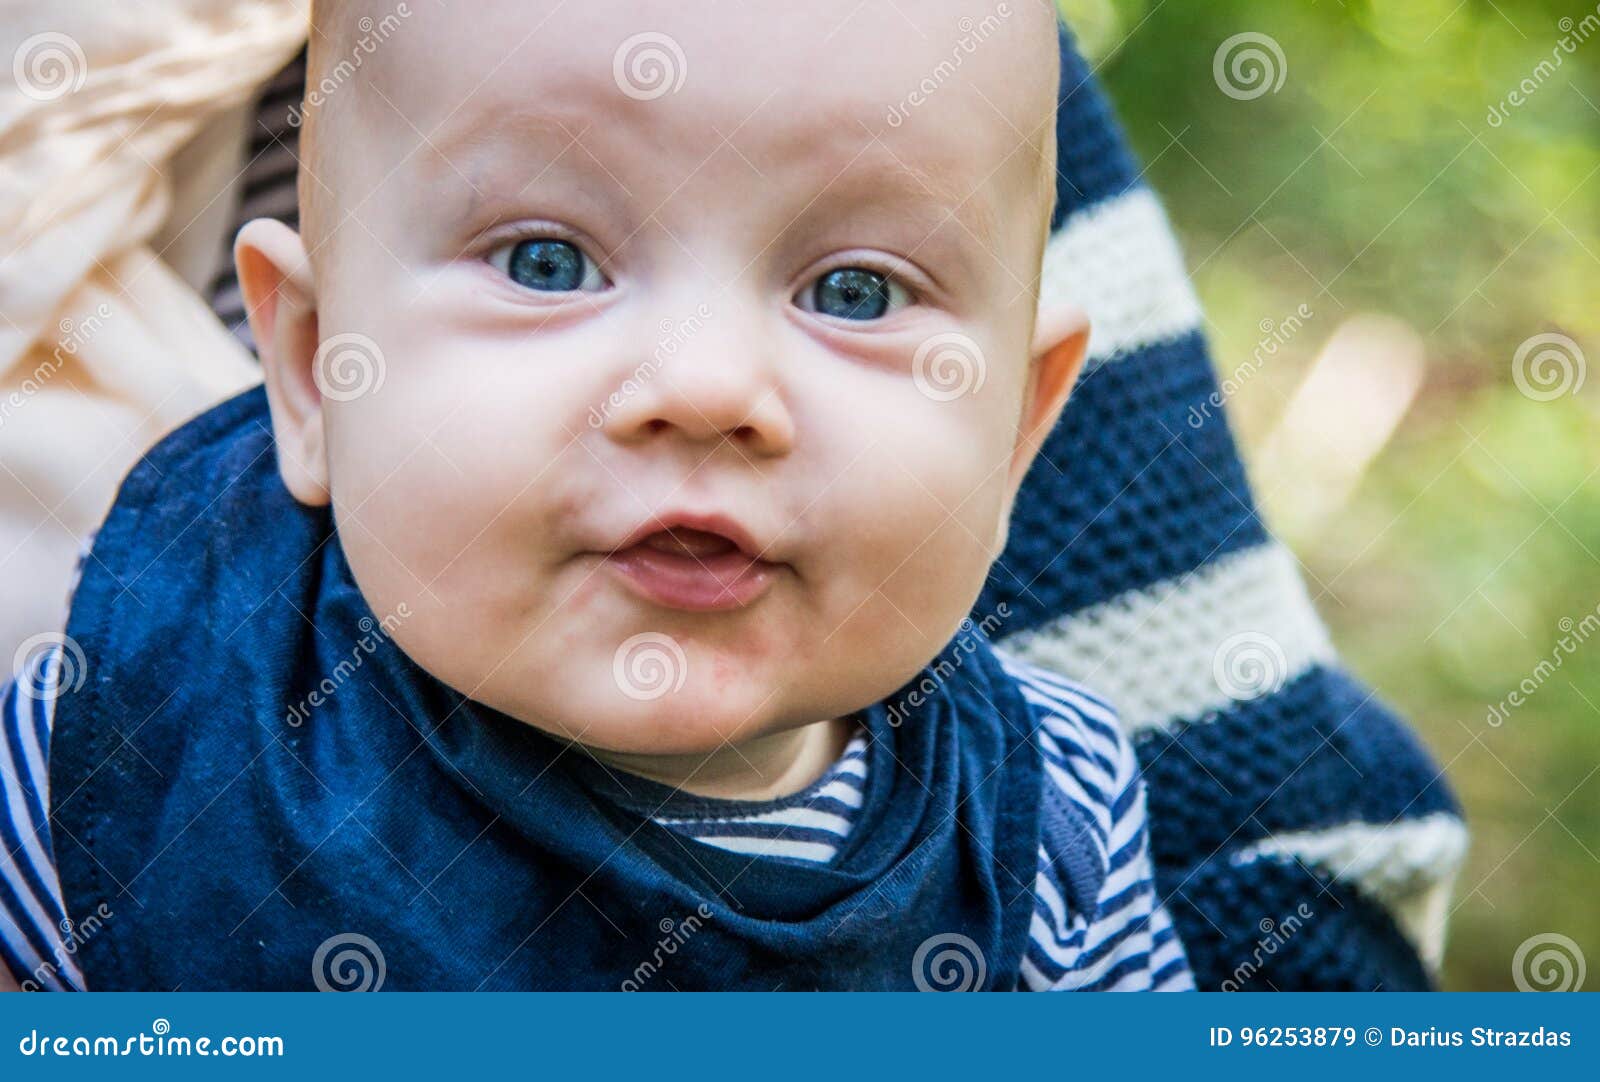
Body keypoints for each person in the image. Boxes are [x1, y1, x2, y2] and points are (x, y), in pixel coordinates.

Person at [0, 0, 1196, 991]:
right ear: (313, 371)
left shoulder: (1046, 831)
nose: (705, 385)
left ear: (1015, 433)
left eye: (857, 292)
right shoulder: (121, 737)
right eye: (546, 263)